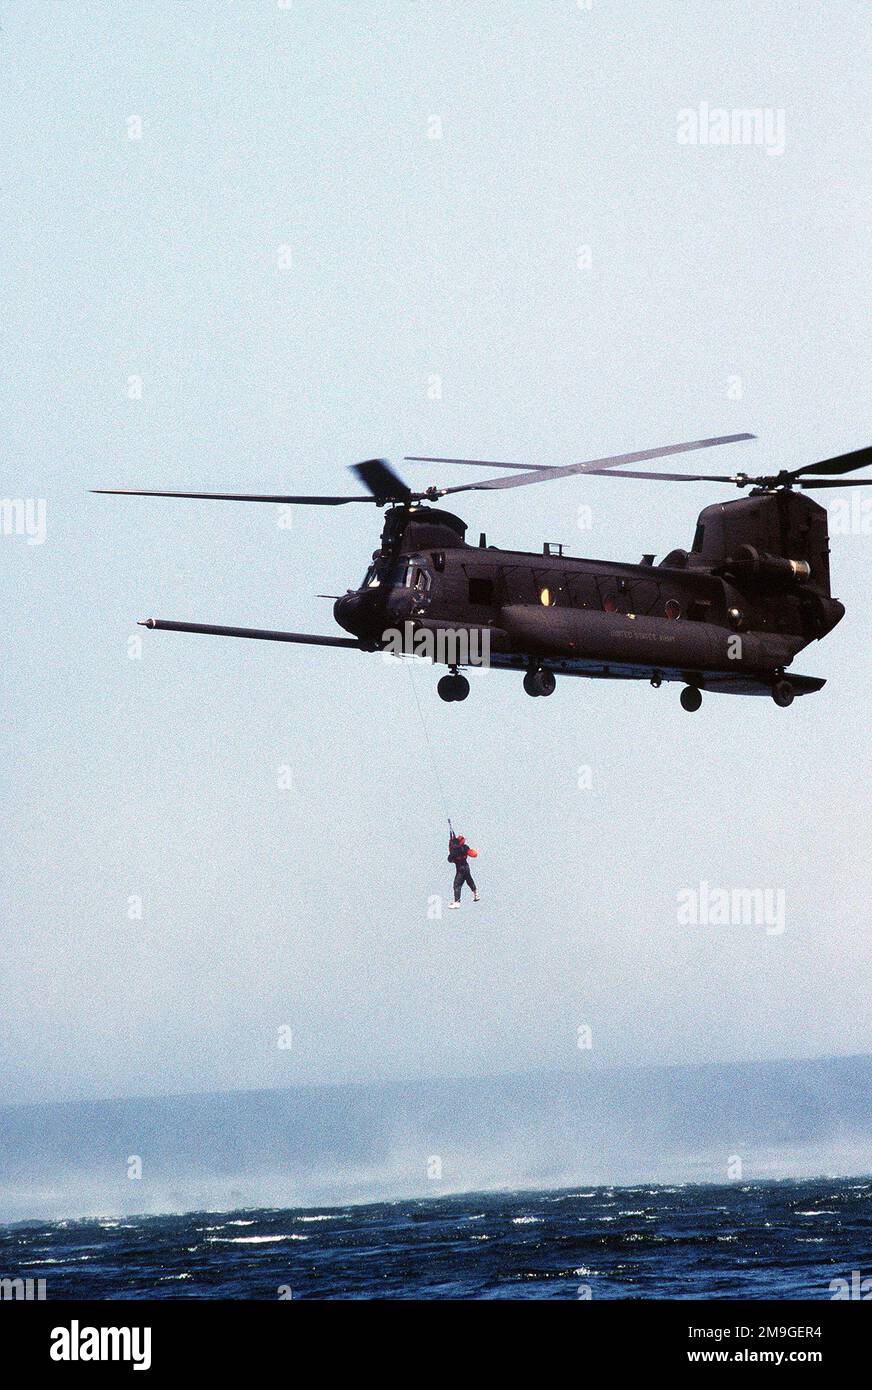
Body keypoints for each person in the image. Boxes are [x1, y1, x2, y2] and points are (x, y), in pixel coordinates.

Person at [447, 832, 479, 907]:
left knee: (457, 885)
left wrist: (451, 852)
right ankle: (476, 894)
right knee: (469, 881)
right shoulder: (465, 847)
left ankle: (457, 902)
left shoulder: (454, 852)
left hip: (460, 869)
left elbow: (449, 859)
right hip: (466, 867)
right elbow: (474, 854)